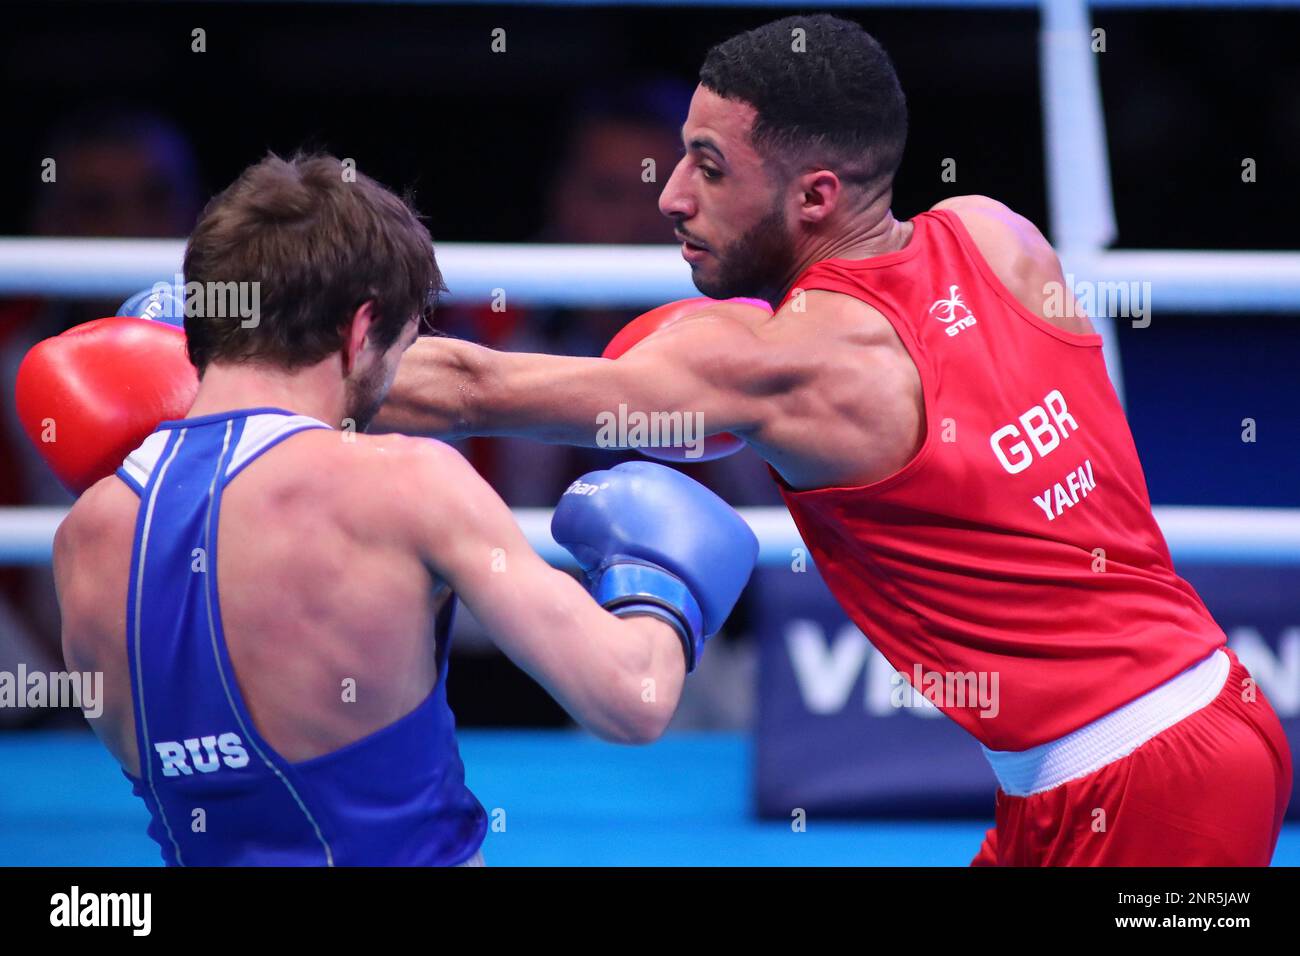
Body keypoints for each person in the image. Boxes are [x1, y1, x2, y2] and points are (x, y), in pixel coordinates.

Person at [379, 15, 1292, 865]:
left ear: (815, 195)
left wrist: (280, 347)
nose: (675, 197)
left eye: (708, 165)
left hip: (1148, 787)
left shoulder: (789, 370)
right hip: (1188, 725)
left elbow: (464, 388)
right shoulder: (997, 232)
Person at [27, 152, 757, 865]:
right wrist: (660, 581)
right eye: (402, 347)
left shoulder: (86, 536)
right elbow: (632, 697)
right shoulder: (406, 484)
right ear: (359, 328)